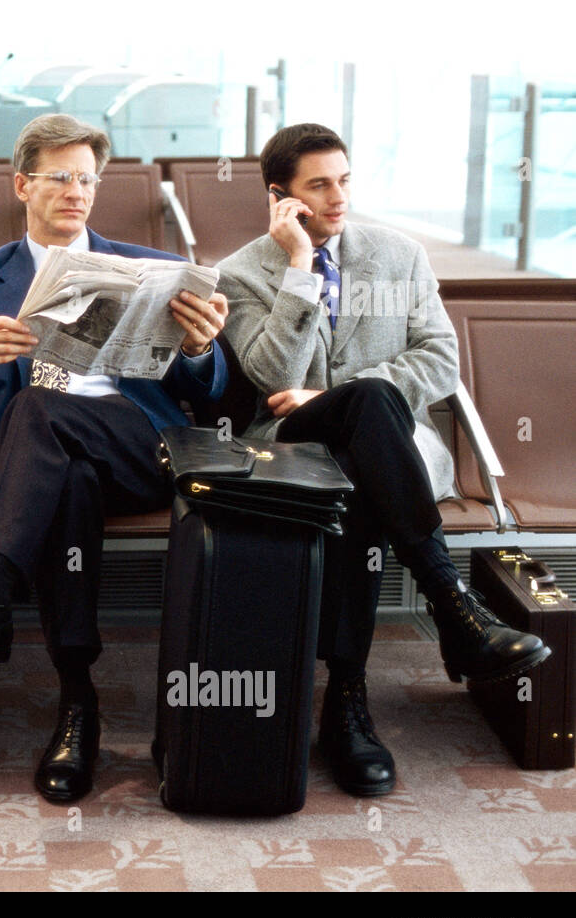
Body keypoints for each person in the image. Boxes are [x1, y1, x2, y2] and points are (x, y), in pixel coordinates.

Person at [0, 114, 230, 802]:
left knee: (42, 408)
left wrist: (200, 348)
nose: (77, 190)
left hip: (141, 451)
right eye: (60, 177)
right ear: (22, 185)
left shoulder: (151, 269)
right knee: (60, 459)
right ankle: (78, 702)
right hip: (42, 472)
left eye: (88, 179)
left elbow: (213, 388)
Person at [217, 122, 549, 797]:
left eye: (344, 179)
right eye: (319, 185)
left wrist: (336, 392)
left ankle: (348, 696)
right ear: (281, 197)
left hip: (391, 446)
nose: (338, 197)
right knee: (357, 431)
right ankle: (450, 610)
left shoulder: (400, 255)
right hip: (293, 443)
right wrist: (300, 268)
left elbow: (439, 359)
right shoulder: (242, 272)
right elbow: (272, 373)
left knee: (364, 434)